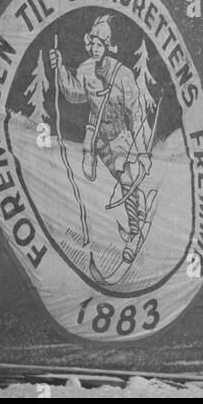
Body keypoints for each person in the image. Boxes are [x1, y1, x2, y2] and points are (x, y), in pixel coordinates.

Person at [49, 15, 154, 265]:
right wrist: (60, 69)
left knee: (126, 179)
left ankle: (134, 233)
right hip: (95, 134)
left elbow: (137, 113)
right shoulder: (85, 69)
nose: (95, 49)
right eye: (92, 44)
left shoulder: (124, 75)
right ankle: (128, 193)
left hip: (119, 135)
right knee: (103, 175)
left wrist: (142, 153)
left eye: (100, 45)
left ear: (108, 46)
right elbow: (75, 95)